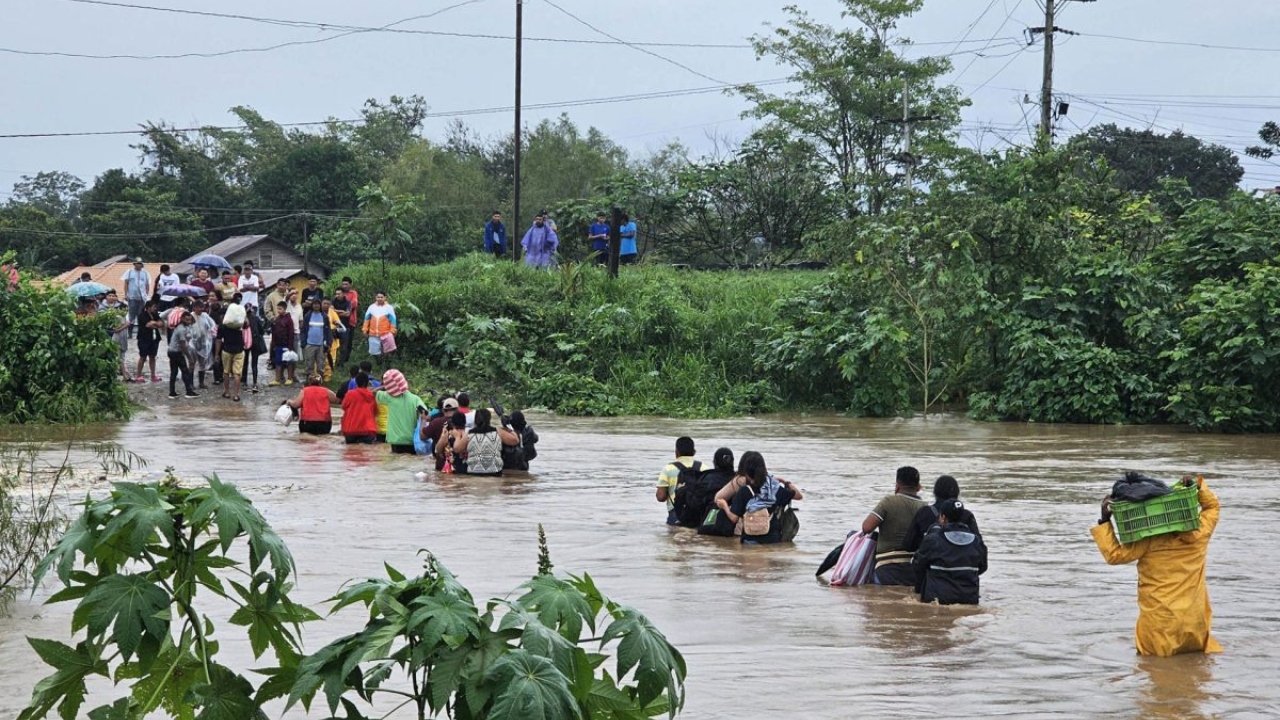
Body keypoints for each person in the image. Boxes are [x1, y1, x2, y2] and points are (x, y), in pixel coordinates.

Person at [1092, 476, 1222, 657]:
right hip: (1195, 623)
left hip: (1160, 626)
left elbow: (1114, 555)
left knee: (1155, 675)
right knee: (1196, 674)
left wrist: (1105, 520)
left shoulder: (1147, 541)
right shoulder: (1199, 533)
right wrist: (1197, 487)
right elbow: (1213, 507)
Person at [714, 452, 802, 545]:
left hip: (750, 540)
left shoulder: (744, 491)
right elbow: (798, 496)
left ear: (747, 473)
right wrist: (785, 482)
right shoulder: (774, 489)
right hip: (773, 540)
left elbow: (733, 519)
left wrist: (724, 506)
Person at [860, 466, 929, 585]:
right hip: (914, 571)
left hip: (886, 569)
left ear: (897, 485)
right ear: (919, 487)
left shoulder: (888, 502)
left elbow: (867, 527)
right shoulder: (926, 508)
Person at [912, 498, 988, 605]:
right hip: (969, 599)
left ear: (943, 518)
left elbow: (917, 565)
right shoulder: (976, 541)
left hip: (938, 599)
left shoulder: (933, 540)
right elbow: (983, 567)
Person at [903, 475, 981, 553]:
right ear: (957, 493)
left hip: (933, 562)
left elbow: (908, 545)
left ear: (935, 493)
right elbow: (980, 546)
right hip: (963, 562)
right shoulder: (966, 515)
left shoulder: (924, 512)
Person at [452, 408, 519, 476]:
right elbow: (515, 441)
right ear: (489, 419)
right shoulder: (498, 431)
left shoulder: (469, 433)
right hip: (495, 473)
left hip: (474, 473)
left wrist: (457, 437)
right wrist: (508, 427)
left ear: (475, 420)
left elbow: (457, 449)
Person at [376, 369, 425, 454]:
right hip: (411, 440)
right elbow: (425, 414)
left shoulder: (388, 397)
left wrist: (386, 386)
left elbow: (373, 392)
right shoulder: (415, 399)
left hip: (395, 441)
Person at [695, 448, 740, 536]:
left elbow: (696, 504)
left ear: (715, 462)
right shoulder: (739, 479)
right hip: (734, 524)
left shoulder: (706, 479)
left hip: (709, 524)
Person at [655, 436, 698, 526]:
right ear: (694, 452)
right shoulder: (703, 467)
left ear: (676, 452)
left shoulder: (668, 469)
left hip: (675, 515)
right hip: (698, 515)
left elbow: (660, 497)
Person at [166, 310, 200, 399]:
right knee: (184, 371)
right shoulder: (181, 329)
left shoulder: (182, 327)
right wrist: (189, 357)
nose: (189, 322)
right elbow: (183, 345)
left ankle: (172, 392)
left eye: (189, 320)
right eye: (187, 320)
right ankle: (189, 391)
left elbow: (193, 321)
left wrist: (189, 315)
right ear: (182, 319)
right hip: (176, 352)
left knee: (174, 372)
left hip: (171, 351)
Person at [100, 291, 132, 382]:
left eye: (113, 296)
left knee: (120, 355)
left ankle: (122, 373)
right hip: (112, 334)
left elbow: (127, 322)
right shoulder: (103, 307)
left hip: (119, 334)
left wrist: (119, 329)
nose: (111, 297)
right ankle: (121, 374)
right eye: (109, 295)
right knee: (115, 355)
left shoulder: (120, 310)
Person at [215, 312, 246, 401]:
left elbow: (218, 340)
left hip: (227, 350)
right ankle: (236, 395)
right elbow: (247, 325)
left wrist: (216, 354)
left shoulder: (222, 326)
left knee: (226, 372)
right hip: (239, 350)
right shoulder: (238, 324)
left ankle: (227, 392)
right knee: (237, 373)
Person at [341, 371, 379, 444]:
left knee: (351, 452)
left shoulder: (350, 394)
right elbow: (375, 411)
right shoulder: (372, 396)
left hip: (351, 430)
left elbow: (343, 407)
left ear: (356, 382)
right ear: (367, 383)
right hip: (368, 431)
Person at [362, 291, 397, 364]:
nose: (380, 299)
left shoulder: (389, 308)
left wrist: (392, 331)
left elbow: (393, 320)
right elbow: (366, 319)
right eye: (378, 297)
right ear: (376, 298)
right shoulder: (371, 307)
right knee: (374, 352)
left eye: (381, 297)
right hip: (373, 334)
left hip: (386, 333)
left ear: (385, 298)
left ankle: (387, 365)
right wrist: (365, 329)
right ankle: (379, 362)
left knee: (388, 351)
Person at [188, 302, 218, 389]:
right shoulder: (190, 316)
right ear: (194, 308)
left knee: (202, 363)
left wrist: (211, 330)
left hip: (204, 343)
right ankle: (190, 384)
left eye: (202, 307)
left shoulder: (205, 315)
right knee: (192, 363)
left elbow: (213, 324)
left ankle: (201, 383)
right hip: (192, 344)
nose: (201, 309)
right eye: (199, 307)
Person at [301, 299, 332, 379]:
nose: (316, 306)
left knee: (321, 363)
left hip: (321, 344)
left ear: (320, 305)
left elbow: (328, 331)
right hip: (309, 344)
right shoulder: (308, 316)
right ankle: (309, 380)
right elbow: (303, 330)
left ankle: (319, 380)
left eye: (318, 304)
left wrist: (329, 343)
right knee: (309, 363)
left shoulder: (324, 316)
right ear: (312, 305)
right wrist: (303, 342)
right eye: (314, 304)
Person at [134, 299, 164, 383]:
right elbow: (148, 325)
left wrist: (154, 323)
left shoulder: (155, 314)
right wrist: (156, 323)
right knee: (143, 357)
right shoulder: (142, 315)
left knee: (152, 357)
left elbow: (161, 324)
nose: (155, 308)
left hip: (154, 339)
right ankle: (139, 375)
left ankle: (153, 375)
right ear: (148, 307)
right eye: (154, 307)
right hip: (144, 339)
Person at [269, 300, 297, 386]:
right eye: (277, 309)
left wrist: (290, 346)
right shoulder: (276, 319)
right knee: (278, 362)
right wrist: (273, 344)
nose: (278, 311)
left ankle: (289, 378)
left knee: (288, 362)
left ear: (285, 309)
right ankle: (277, 379)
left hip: (286, 345)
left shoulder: (289, 320)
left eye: (280, 309)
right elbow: (274, 332)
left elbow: (291, 333)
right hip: (278, 345)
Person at [240, 305, 267, 392]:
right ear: (252, 309)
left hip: (245, 342)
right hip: (255, 342)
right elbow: (262, 331)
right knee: (254, 363)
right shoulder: (256, 318)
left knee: (245, 362)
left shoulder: (241, 318)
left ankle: (244, 381)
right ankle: (255, 383)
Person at [121, 258, 151, 334]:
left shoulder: (145, 273)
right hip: (132, 296)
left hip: (142, 297)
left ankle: (141, 332)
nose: (140, 265)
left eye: (141, 264)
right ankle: (130, 332)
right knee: (132, 314)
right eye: (138, 263)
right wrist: (126, 294)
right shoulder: (129, 272)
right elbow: (126, 283)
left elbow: (147, 284)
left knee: (141, 314)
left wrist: (146, 295)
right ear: (134, 264)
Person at [331, 288, 353, 364]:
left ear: (343, 294)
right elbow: (331, 311)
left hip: (345, 327)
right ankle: (333, 361)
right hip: (334, 327)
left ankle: (341, 364)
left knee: (344, 347)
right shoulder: (333, 301)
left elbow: (347, 314)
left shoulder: (348, 302)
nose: (337, 295)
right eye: (336, 294)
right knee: (333, 346)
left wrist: (335, 312)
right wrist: (341, 311)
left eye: (339, 294)